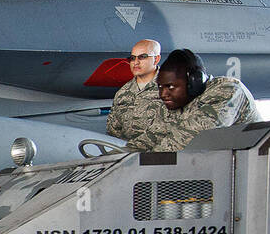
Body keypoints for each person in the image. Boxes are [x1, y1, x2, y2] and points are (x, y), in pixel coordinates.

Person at [127, 49, 261, 152]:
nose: (163, 94)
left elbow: (188, 138)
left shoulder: (228, 91)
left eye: (170, 87)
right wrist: (120, 156)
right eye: (160, 87)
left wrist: (132, 166)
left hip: (249, 174)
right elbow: (154, 135)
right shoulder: (176, 101)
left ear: (194, 82)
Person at [106, 39, 164, 144]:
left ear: (156, 59)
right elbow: (113, 132)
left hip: (164, 156)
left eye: (142, 57)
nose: (135, 62)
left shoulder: (173, 89)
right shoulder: (122, 93)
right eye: (132, 58)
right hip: (130, 156)